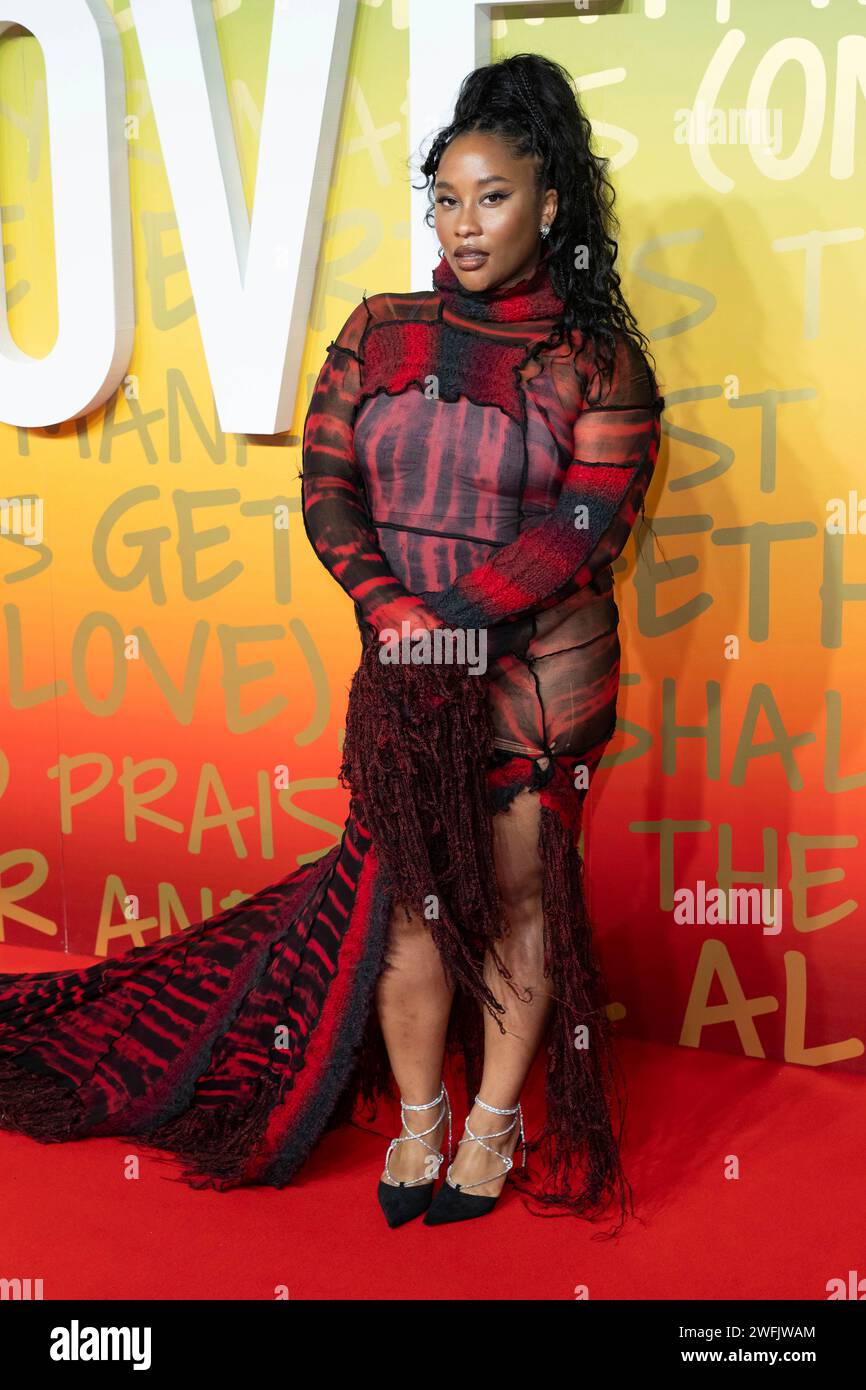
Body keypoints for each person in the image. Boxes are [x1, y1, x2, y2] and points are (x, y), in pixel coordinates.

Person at [0, 52, 664, 1237]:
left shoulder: (599, 362)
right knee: (404, 901)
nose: (463, 225)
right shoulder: (377, 327)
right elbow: (325, 479)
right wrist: (391, 614)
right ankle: (416, 1116)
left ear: (549, 203)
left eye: (493, 198)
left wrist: (446, 626)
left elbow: (579, 526)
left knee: (515, 900)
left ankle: (491, 1129)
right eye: (445, 200)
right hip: (404, 668)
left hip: (537, 685)